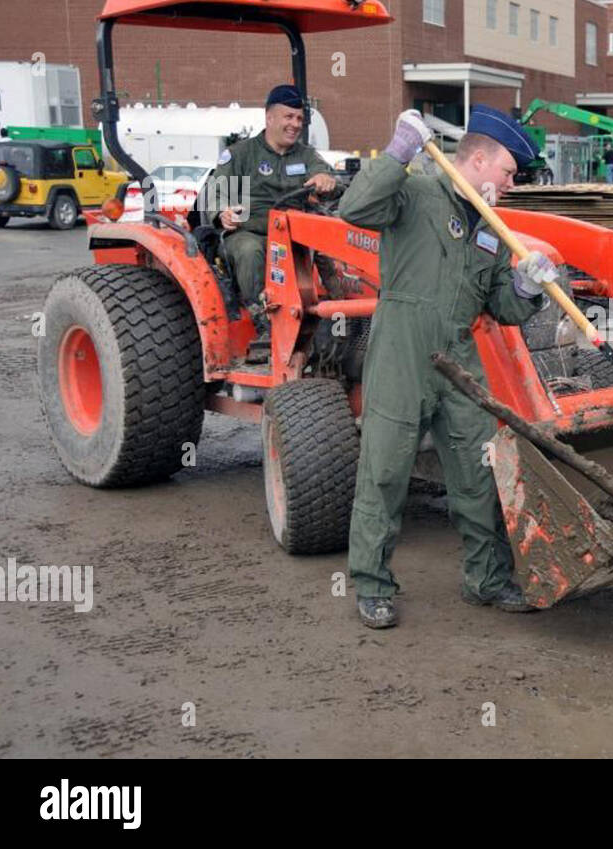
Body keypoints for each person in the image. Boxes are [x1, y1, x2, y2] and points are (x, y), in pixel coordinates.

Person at [337, 105, 558, 629]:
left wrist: (525, 287)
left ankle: (486, 580)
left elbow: (498, 305)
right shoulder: (414, 194)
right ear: (478, 160)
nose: (508, 185)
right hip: (401, 351)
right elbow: (354, 207)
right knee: (385, 471)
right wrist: (396, 153)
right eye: (507, 173)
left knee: (478, 471)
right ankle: (372, 585)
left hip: (458, 358)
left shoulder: (489, 226)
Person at [198, 84, 337, 336]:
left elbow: (327, 176)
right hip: (250, 232)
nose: (295, 124)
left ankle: (340, 314)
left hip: (296, 234)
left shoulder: (305, 156)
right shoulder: (241, 154)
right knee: (250, 251)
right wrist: (222, 213)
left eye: (299, 119)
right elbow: (217, 193)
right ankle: (262, 319)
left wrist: (325, 179)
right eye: (288, 116)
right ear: (269, 117)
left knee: (333, 250)